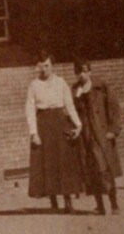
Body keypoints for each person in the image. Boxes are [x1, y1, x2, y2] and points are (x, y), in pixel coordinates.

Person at [24, 56, 85, 213]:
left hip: (59, 122)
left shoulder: (61, 82)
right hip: (43, 123)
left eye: (47, 65)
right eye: (41, 66)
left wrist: (78, 124)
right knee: (47, 161)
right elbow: (30, 110)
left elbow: (69, 105)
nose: (44, 69)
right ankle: (53, 200)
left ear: (52, 66)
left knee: (63, 161)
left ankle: (68, 201)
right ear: (37, 67)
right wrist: (33, 133)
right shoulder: (34, 85)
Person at [72, 60, 123, 215]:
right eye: (80, 71)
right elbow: (72, 112)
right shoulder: (75, 90)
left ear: (90, 71)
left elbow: (114, 108)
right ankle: (99, 205)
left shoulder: (101, 87)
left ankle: (114, 204)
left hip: (100, 134)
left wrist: (113, 130)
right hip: (85, 135)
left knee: (104, 168)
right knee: (90, 170)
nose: (83, 74)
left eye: (86, 70)